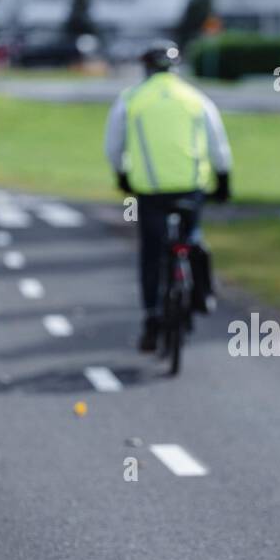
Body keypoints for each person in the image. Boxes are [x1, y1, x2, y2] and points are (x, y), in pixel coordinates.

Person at [104, 39, 232, 351]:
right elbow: (218, 143)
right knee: (193, 237)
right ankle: (202, 294)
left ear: (145, 67)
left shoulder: (131, 99)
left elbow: (114, 146)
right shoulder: (195, 98)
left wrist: (122, 176)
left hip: (149, 190)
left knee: (152, 252)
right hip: (191, 187)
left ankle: (152, 316)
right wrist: (223, 180)